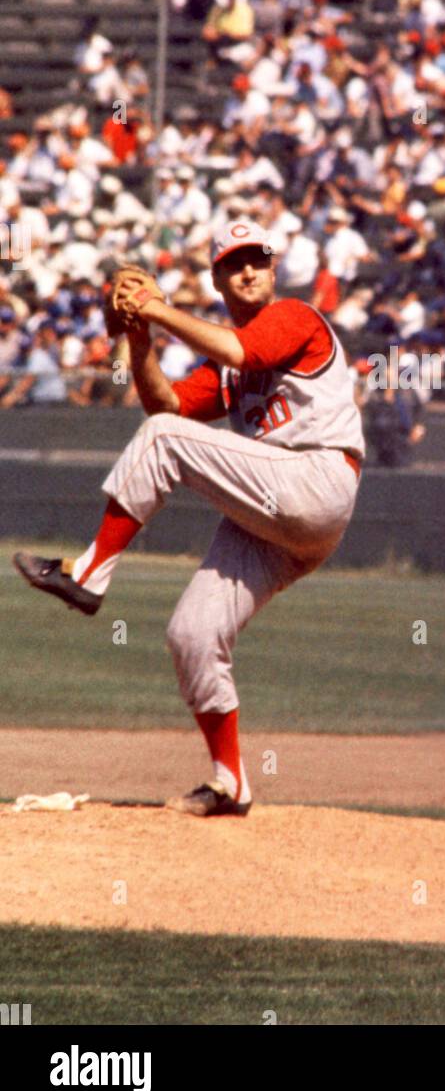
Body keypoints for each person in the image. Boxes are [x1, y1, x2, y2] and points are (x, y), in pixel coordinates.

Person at [13, 220, 364, 818]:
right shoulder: (229, 371)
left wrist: (155, 305)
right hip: (278, 518)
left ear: (273, 270)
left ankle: (91, 572)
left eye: (258, 260)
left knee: (164, 440)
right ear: (217, 277)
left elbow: (237, 350)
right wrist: (139, 336)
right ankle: (231, 782)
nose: (249, 270)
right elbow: (165, 405)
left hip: (317, 479)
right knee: (192, 634)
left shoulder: (294, 317)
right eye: (234, 263)